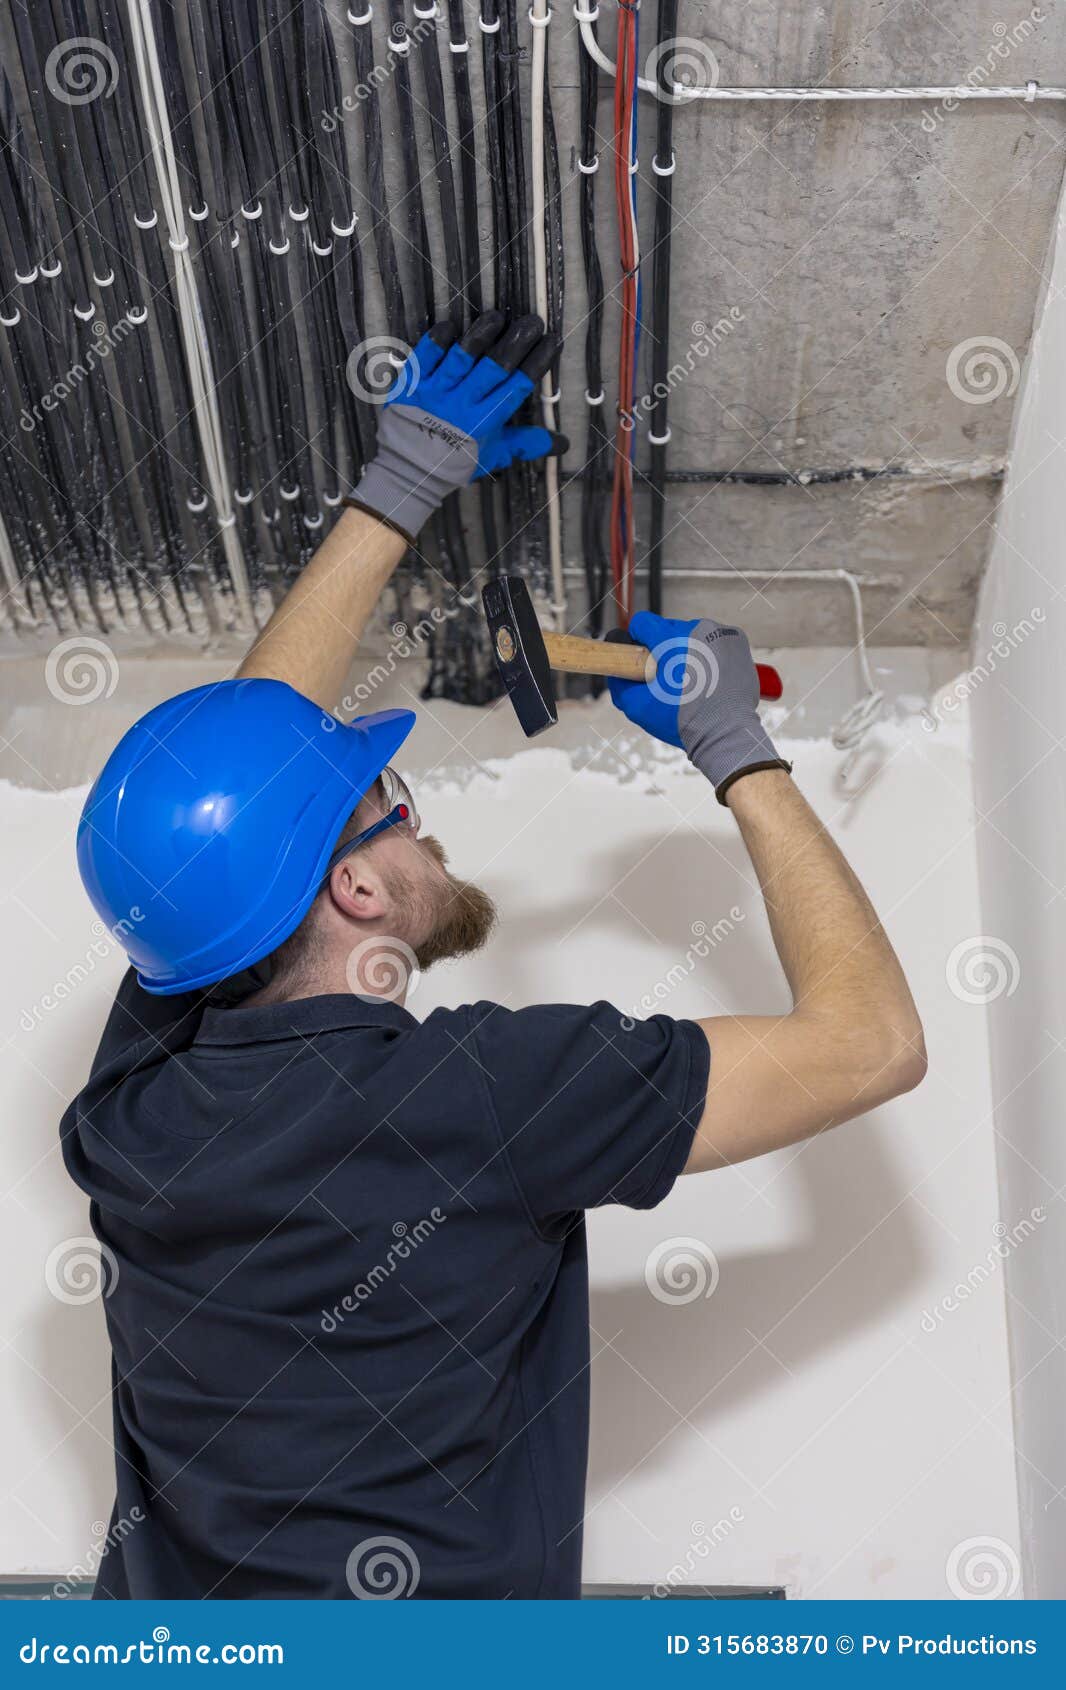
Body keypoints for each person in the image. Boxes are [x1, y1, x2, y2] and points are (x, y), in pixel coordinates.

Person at [63, 313, 926, 1600]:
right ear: (354, 886)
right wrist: (738, 751)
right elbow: (872, 1045)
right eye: (394, 800)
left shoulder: (138, 1107)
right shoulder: (484, 1094)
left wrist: (398, 487)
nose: (425, 816)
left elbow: (237, 791)